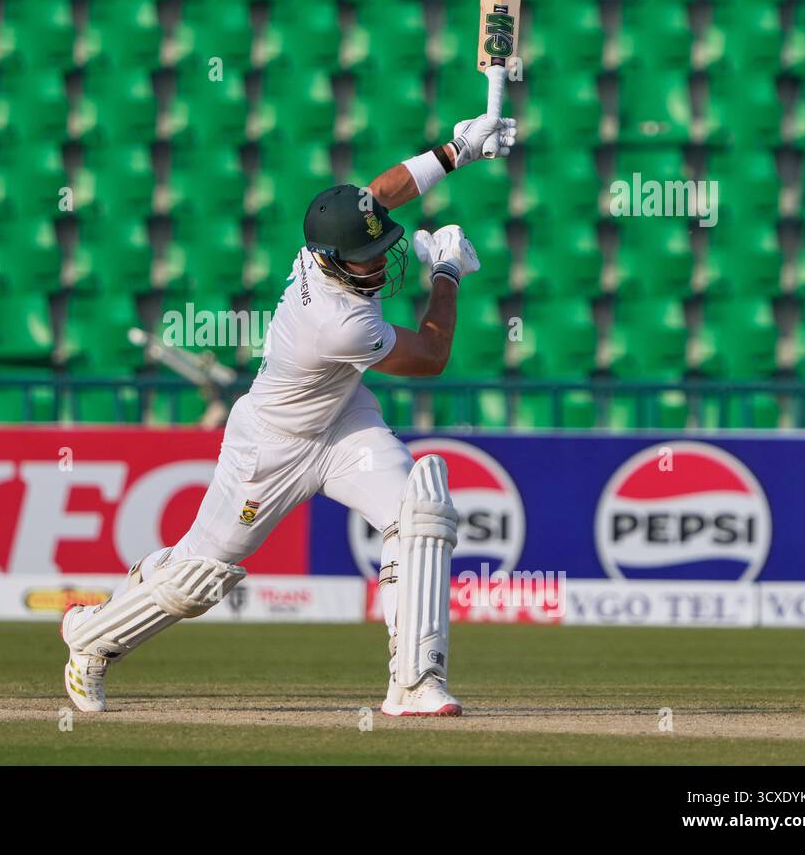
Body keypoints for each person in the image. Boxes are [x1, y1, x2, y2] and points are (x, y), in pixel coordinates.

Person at [62, 112, 517, 716]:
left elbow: (379, 195)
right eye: (366, 258)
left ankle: (415, 683)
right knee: (200, 578)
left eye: (382, 246)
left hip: (344, 419)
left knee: (419, 511)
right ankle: (92, 640)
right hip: (272, 444)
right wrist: (447, 273)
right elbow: (431, 355)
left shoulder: (332, 241)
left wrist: (458, 150)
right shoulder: (342, 323)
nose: (379, 263)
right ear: (329, 261)